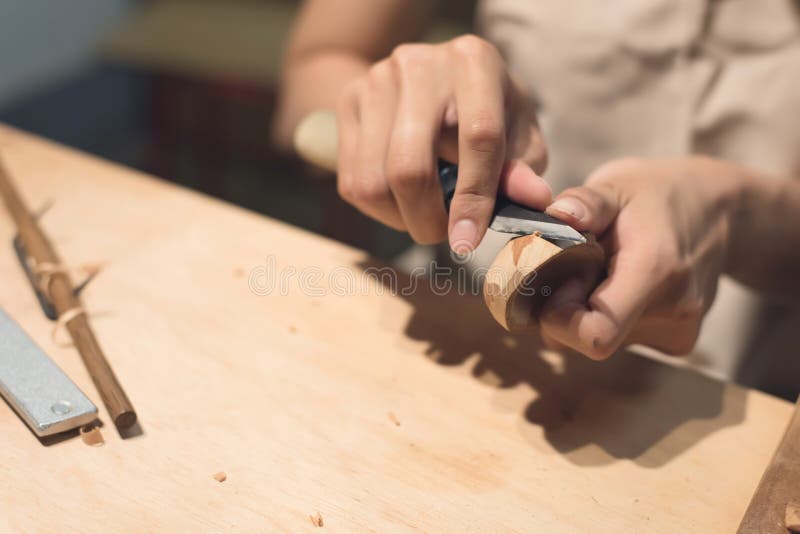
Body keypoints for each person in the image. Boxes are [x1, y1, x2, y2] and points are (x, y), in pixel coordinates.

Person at [273, 0, 800, 390]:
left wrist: (735, 212)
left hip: (756, 388)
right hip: (463, 333)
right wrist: (395, 111)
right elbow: (316, 69)